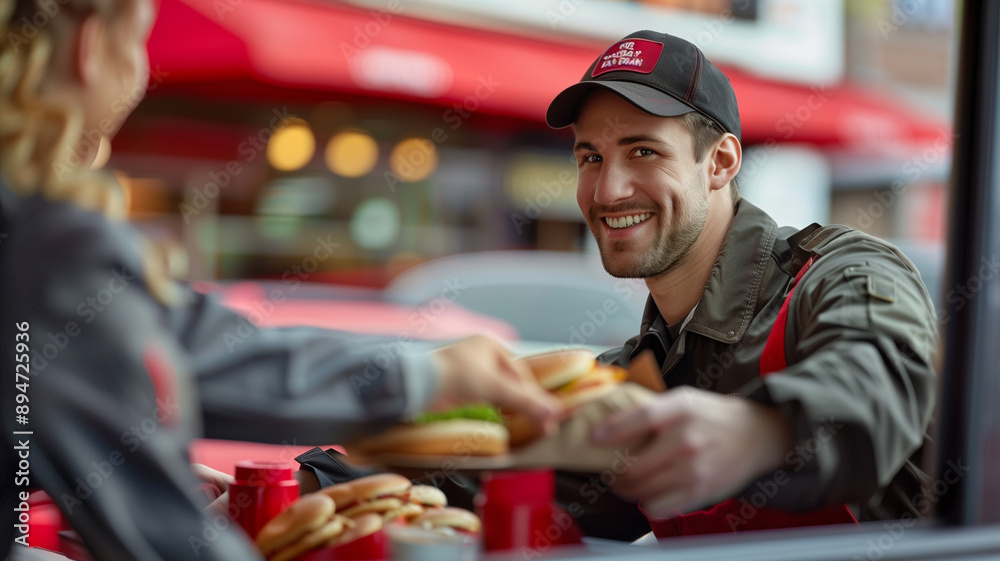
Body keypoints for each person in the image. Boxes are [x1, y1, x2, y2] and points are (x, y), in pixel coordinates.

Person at [0, 0, 562, 559]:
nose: (143, 76)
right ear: (90, 47)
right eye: (140, 43)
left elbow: (186, 344)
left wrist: (424, 377)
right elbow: (166, 537)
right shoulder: (51, 245)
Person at [545, 30, 938, 536]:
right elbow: (499, 481)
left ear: (721, 162)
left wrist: (760, 434)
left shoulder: (843, 272)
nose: (608, 190)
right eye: (590, 157)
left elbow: (878, 386)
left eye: (643, 151)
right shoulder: (636, 376)